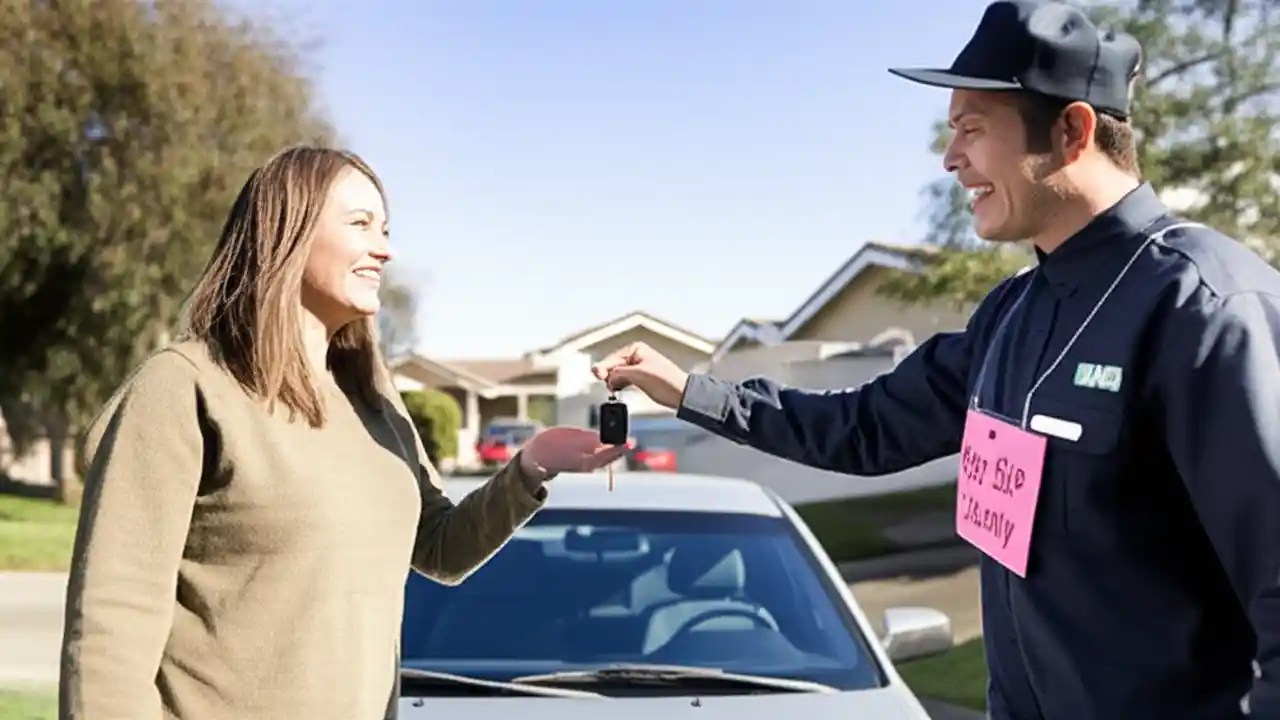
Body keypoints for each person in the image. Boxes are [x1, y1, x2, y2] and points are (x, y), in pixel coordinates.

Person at [592, 1, 1280, 718]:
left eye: (971, 129)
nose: (951, 159)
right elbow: (862, 427)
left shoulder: (1203, 307)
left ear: (1072, 131)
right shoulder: (1011, 316)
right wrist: (688, 394)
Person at [58, 146, 629, 720]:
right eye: (360, 225)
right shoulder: (184, 386)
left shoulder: (374, 405)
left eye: (385, 229)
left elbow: (440, 549)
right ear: (287, 233)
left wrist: (532, 465)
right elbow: (114, 618)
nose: (385, 248)